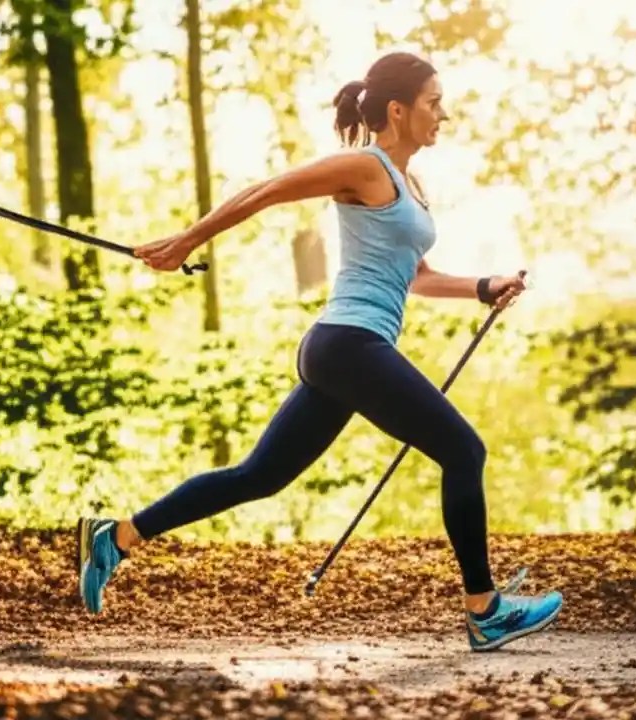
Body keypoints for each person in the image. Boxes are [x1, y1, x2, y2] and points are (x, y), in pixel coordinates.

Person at [75, 51, 563, 652]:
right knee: (463, 450)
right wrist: (185, 242)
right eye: (434, 102)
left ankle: (119, 536)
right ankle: (485, 609)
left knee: (259, 476)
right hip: (348, 345)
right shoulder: (364, 166)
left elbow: (416, 275)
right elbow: (267, 192)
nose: (444, 114)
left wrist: (481, 287)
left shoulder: (410, 182)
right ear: (398, 109)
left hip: (343, 350)